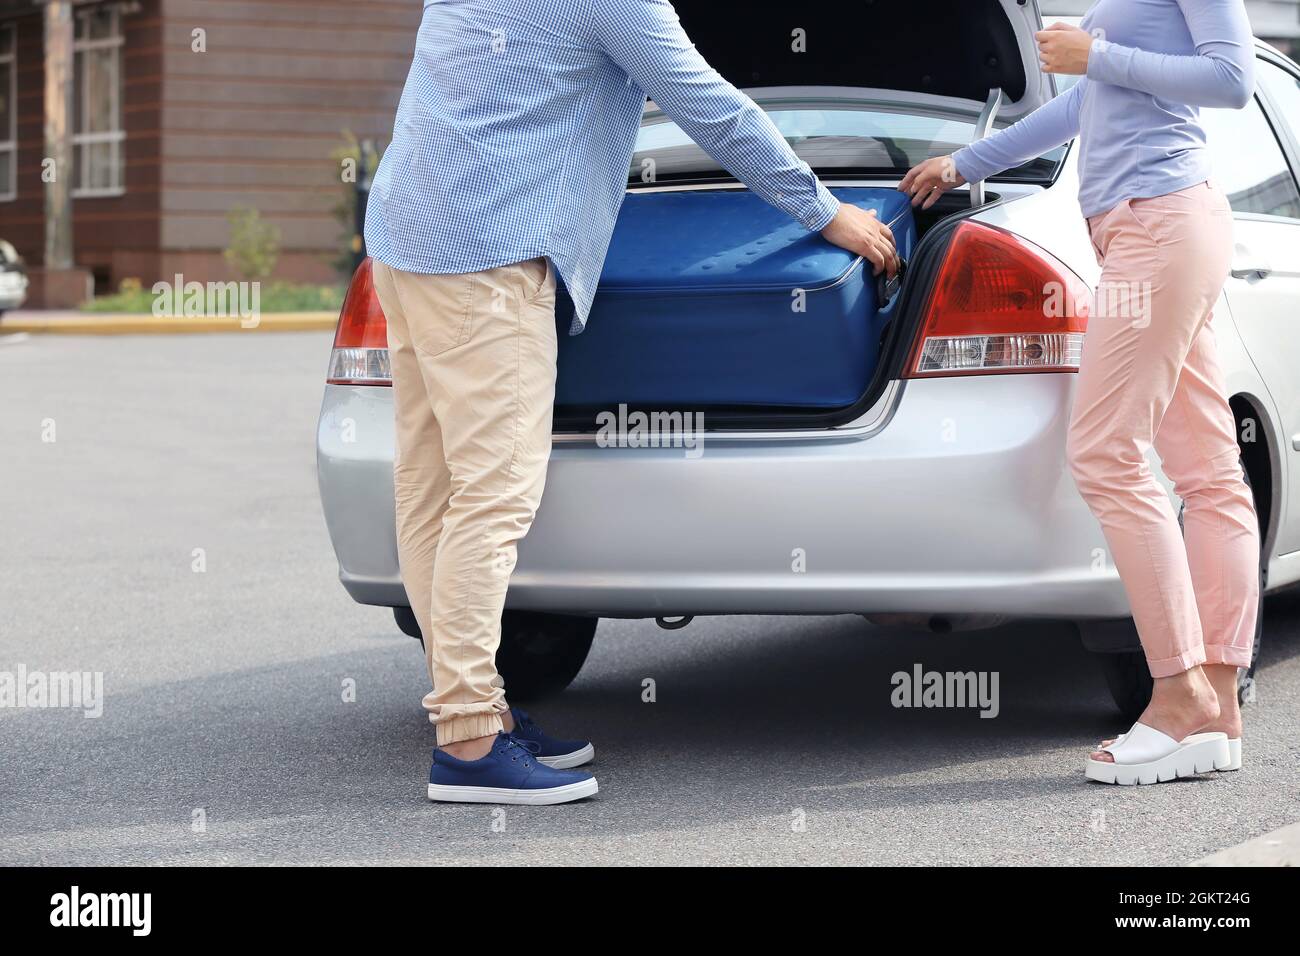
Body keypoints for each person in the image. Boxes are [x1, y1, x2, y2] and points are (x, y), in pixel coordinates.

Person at [365, 0, 899, 805]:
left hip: (407, 244)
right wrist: (824, 211)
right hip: (487, 256)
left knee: (431, 489)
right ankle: (470, 741)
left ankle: (474, 714)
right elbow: (711, 106)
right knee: (493, 494)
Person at [902, 1, 1258, 786]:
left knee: (1105, 453)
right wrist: (966, 164)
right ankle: (1215, 708)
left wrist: (1097, 54)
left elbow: (1234, 80)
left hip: (1158, 229)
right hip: (1147, 230)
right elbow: (1081, 104)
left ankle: (1178, 696)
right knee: (1206, 469)